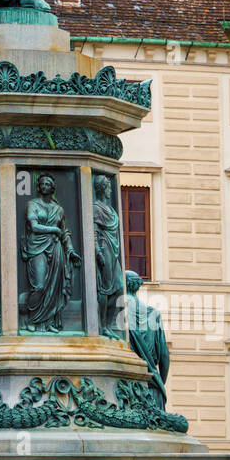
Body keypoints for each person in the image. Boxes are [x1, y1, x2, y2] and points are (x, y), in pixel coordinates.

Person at [20, 175, 81, 332]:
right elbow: (34, 226)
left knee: (52, 288)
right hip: (36, 247)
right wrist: (54, 229)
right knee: (40, 286)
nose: (45, 186)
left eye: (48, 184)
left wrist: (71, 250)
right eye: (42, 184)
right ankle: (30, 318)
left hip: (55, 248)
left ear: (53, 187)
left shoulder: (58, 210)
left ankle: (46, 323)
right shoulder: (32, 204)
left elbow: (65, 232)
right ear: (38, 187)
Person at [125, 271, 169, 410]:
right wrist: (159, 381)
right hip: (151, 383)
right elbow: (164, 356)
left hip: (126, 384)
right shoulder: (154, 314)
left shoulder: (118, 307)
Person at [92, 174, 125, 338]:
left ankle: (108, 325)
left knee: (119, 288)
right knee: (105, 288)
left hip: (113, 249)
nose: (110, 189)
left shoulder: (110, 209)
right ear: (102, 188)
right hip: (104, 247)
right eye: (108, 187)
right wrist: (97, 251)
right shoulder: (96, 208)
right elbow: (94, 230)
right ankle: (102, 326)